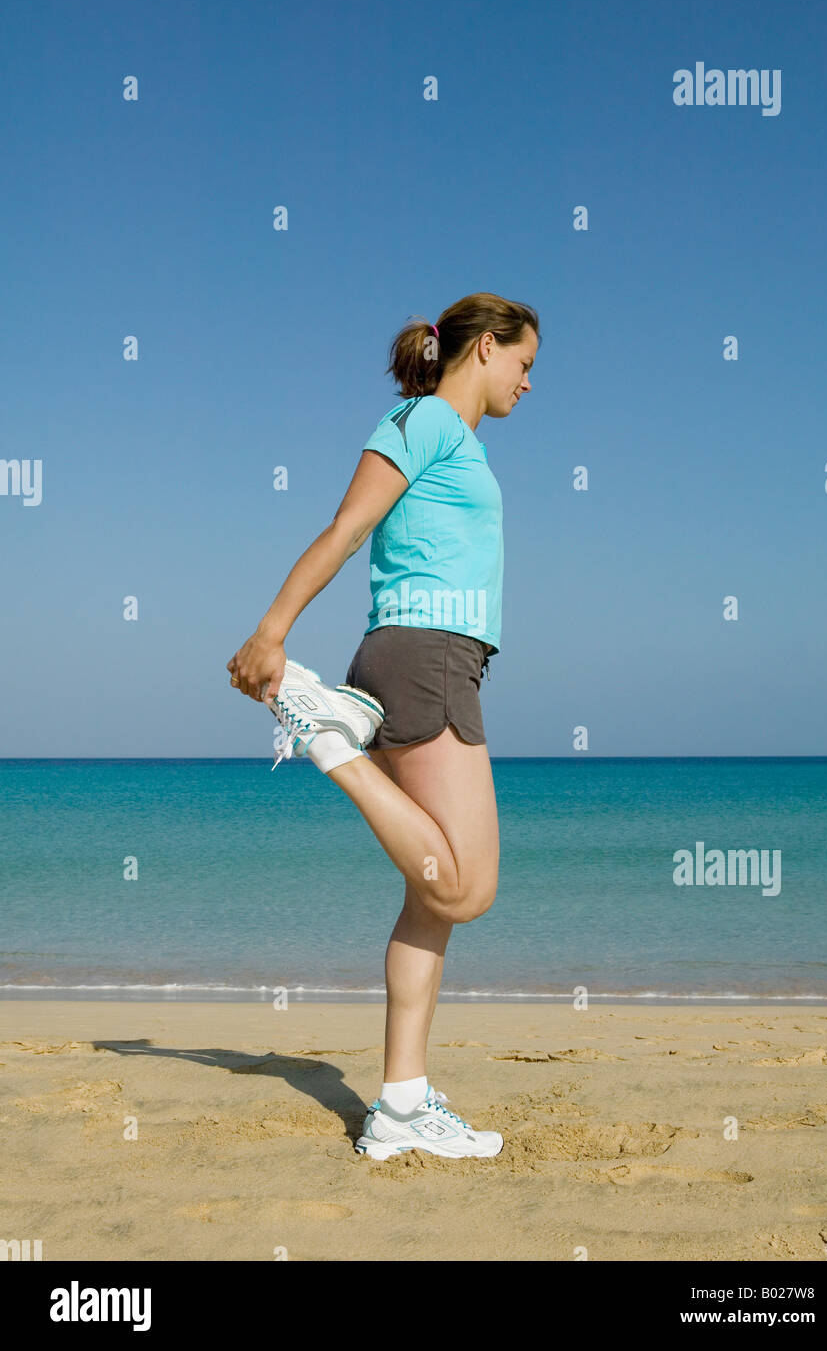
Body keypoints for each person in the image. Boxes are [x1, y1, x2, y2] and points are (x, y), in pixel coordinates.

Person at [226, 291, 540, 1159]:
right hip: (423, 658)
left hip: (436, 661)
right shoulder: (423, 423)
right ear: (483, 348)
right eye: (524, 364)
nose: (527, 383)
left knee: (427, 899)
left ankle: (400, 1104)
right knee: (466, 889)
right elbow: (347, 527)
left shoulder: (454, 440)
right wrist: (273, 631)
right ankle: (331, 739)